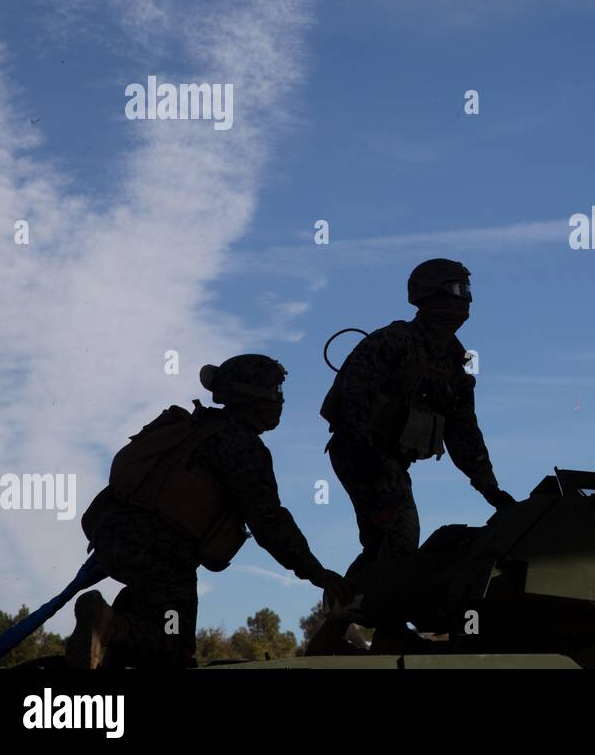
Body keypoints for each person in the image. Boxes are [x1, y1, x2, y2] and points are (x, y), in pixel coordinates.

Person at [66, 354, 349, 668]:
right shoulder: (242, 445)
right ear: (252, 397)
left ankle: (110, 636)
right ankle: (107, 624)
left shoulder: (195, 427)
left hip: (114, 537)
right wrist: (317, 572)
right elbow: (269, 522)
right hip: (161, 553)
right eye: (275, 391)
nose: (281, 401)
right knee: (174, 647)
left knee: (145, 619)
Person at [321, 259, 514, 586]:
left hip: (389, 461)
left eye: (468, 290)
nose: (465, 299)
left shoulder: (454, 366)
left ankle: (346, 610)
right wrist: (363, 451)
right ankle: (387, 621)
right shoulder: (394, 342)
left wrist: (490, 489)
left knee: (380, 545)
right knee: (402, 531)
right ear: (428, 295)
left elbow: (464, 434)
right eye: (457, 289)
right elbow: (353, 393)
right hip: (360, 453)